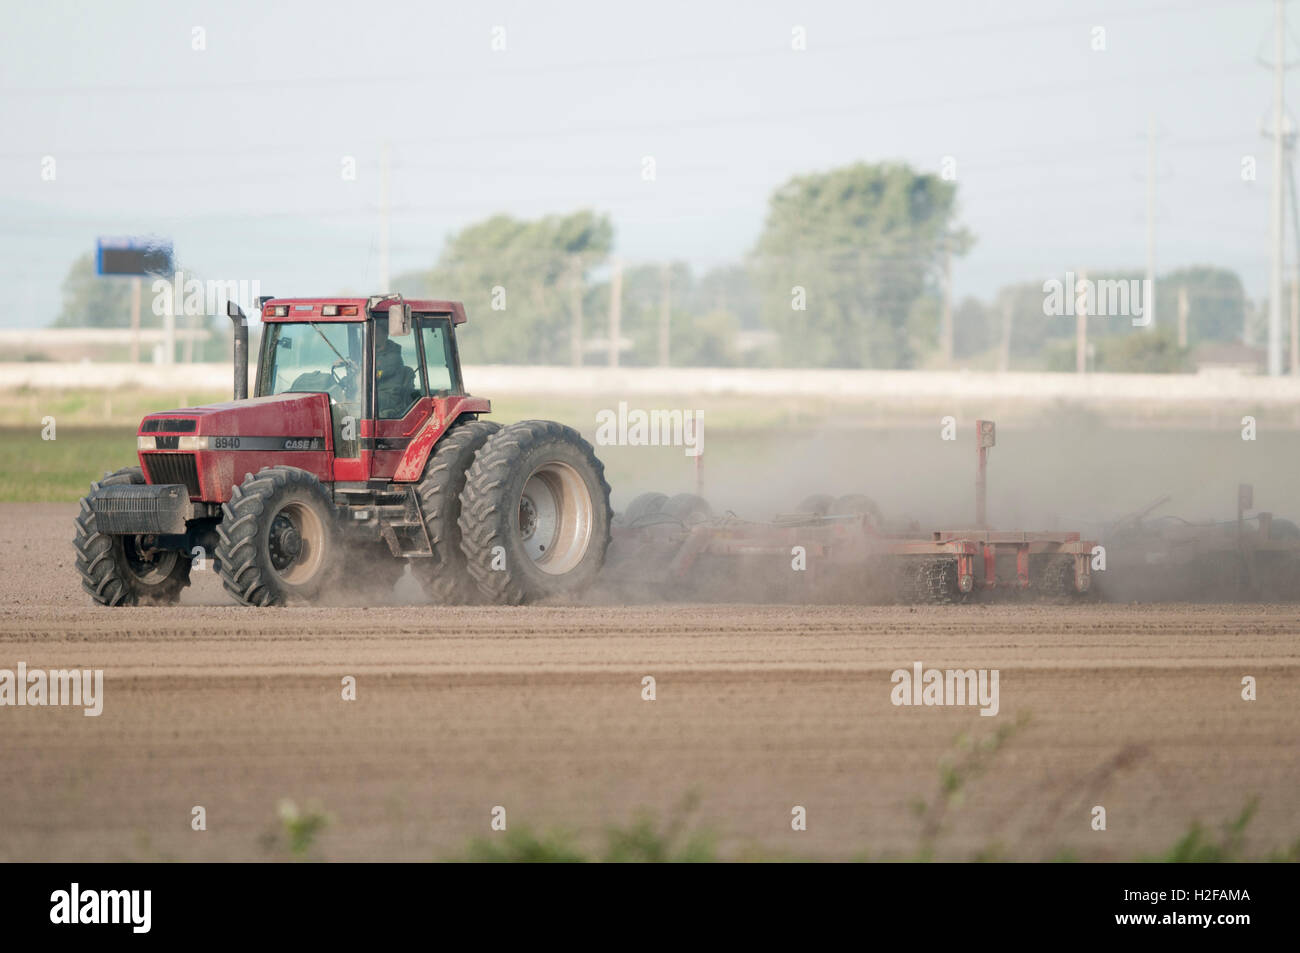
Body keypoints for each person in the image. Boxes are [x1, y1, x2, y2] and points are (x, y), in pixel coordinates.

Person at [374, 322, 417, 418]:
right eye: (372, 333)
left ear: (385, 335)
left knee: (364, 400)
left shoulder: (393, 358)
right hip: (378, 394)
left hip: (390, 396)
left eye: (376, 333)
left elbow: (375, 375)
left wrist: (359, 369)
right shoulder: (374, 355)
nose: (373, 336)